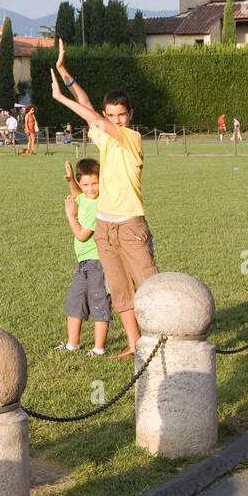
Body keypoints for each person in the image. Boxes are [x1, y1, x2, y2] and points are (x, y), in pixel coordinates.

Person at [50, 41, 156, 359]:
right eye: (113, 115)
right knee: (120, 289)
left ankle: (165, 335)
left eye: (121, 115)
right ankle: (135, 343)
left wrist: (59, 97)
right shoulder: (106, 137)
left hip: (129, 223)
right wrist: (66, 75)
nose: (117, 119)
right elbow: (91, 111)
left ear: (130, 115)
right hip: (105, 226)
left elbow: (94, 118)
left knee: (147, 282)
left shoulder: (131, 138)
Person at [55, 159, 110, 356]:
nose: (91, 188)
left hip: (98, 263)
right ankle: (72, 344)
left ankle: (99, 348)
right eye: (85, 184)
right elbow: (78, 197)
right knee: (74, 301)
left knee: (99, 303)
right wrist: (71, 181)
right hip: (84, 262)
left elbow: (81, 234)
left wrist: (70, 216)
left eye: (94, 183)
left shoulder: (98, 205)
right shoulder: (85, 197)